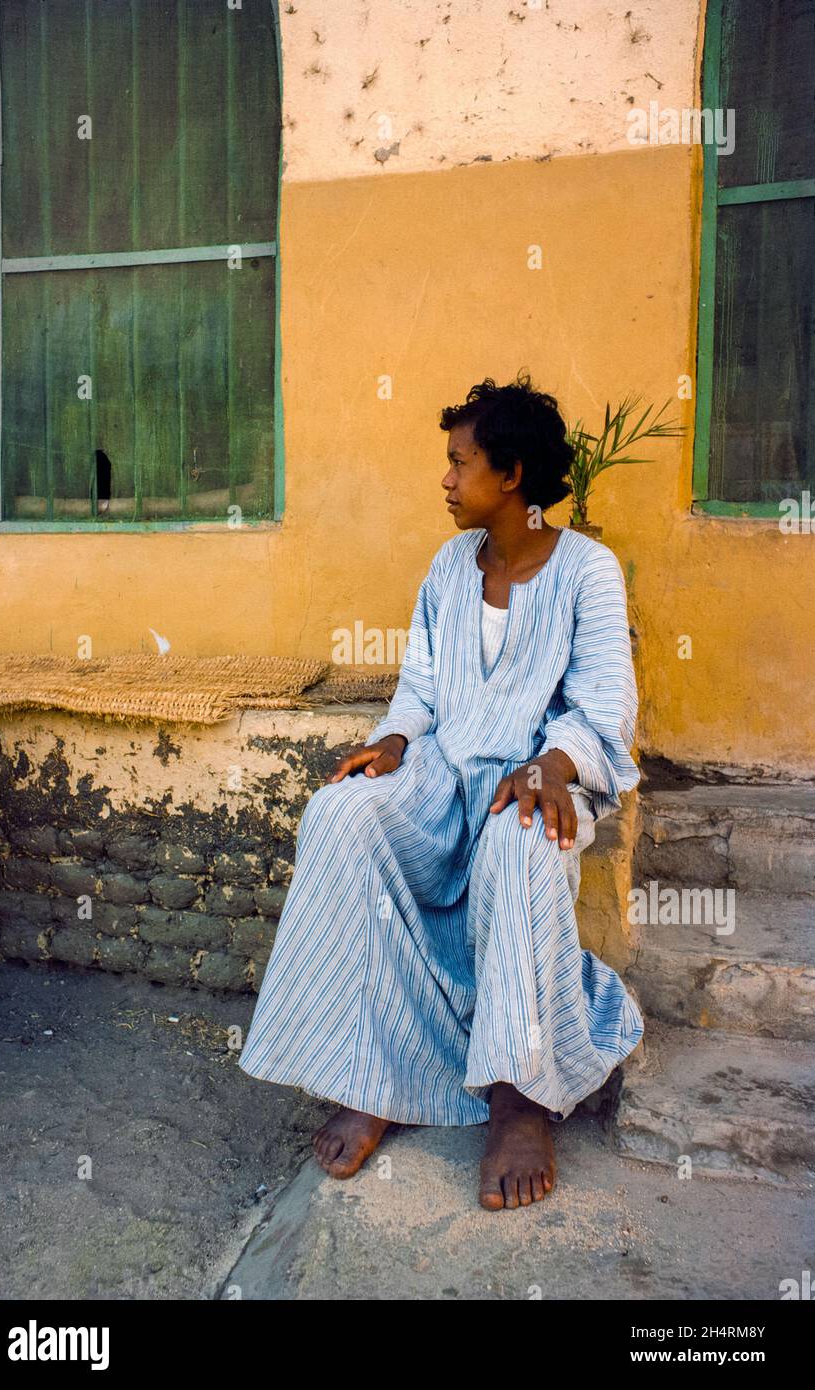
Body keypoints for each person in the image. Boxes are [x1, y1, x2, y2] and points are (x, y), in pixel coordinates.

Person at [238, 371, 644, 1211]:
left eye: (460, 464)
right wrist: (392, 740)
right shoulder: (449, 566)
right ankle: (369, 1070)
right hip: (442, 766)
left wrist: (554, 765)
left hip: (536, 777)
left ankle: (518, 1096)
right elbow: (420, 688)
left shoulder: (587, 571)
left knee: (522, 845)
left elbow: (602, 705)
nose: (446, 480)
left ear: (513, 478)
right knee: (341, 816)